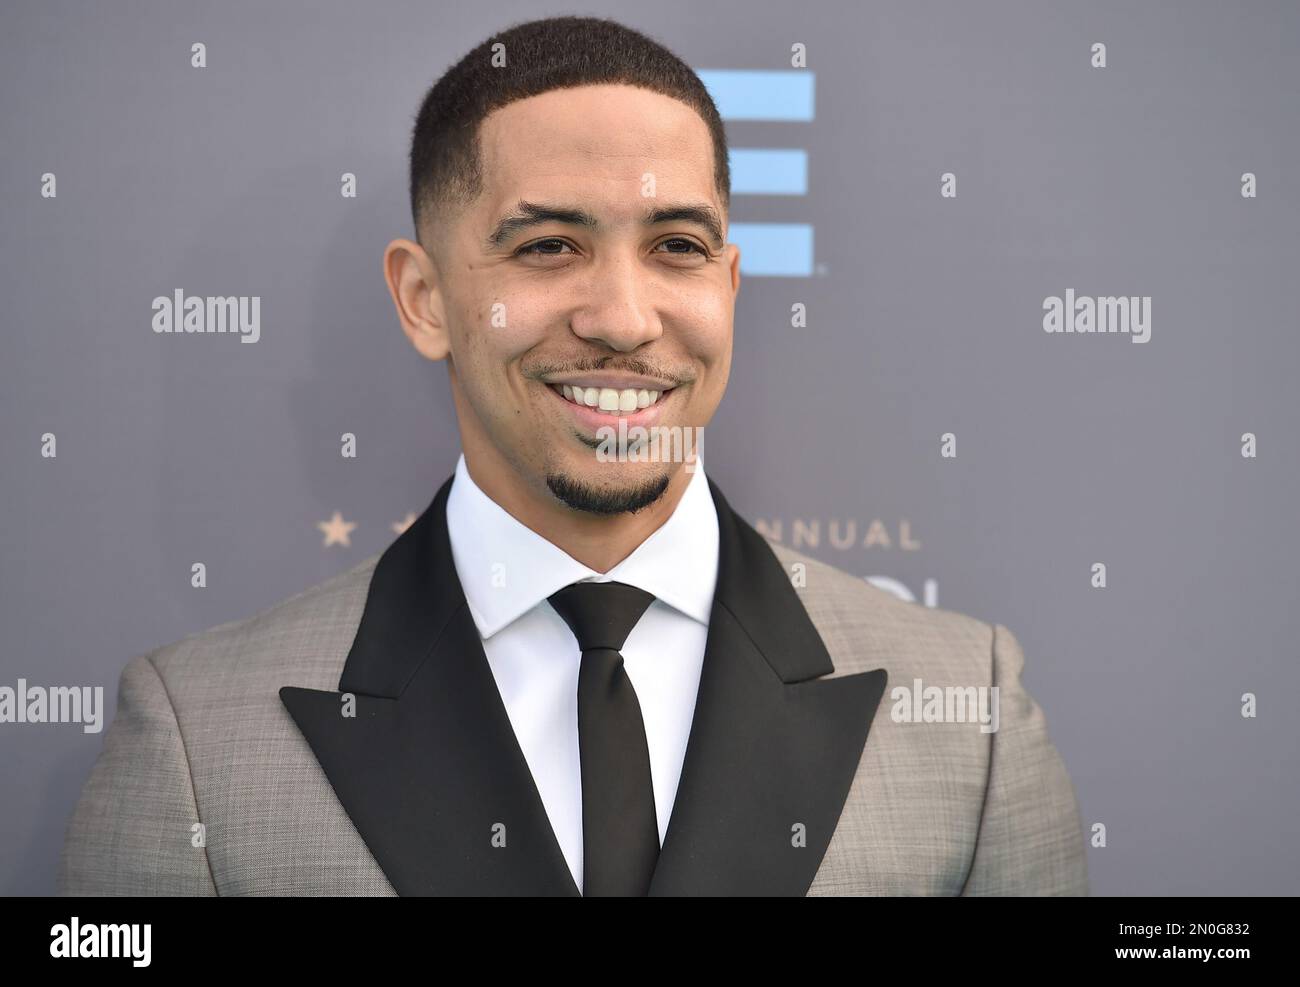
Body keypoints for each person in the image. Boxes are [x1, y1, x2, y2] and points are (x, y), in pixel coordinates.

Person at [58, 15, 1088, 896]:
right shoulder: (197, 739)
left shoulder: (973, 717)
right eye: (548, 246)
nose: (624, 318)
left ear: (728, 286)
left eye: (677, 246)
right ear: (424, 298)